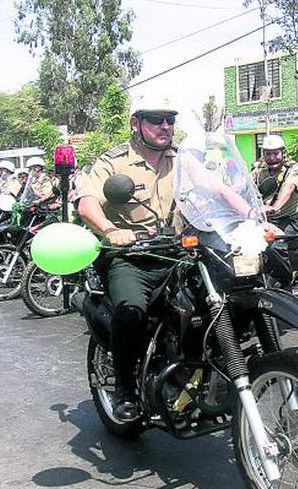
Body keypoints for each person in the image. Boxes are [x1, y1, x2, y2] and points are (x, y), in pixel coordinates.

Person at [76, 98, 180, 422]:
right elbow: (87, 203)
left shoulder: (182, 159)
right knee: (132, 311)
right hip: (128, 257)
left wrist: (252, 216)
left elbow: (217, 189)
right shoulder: (114, 162)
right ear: (136, 123)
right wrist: (110, 228)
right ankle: (124, 388)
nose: (165, 125)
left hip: (175, 252)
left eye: (170, 118)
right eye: (156, 118)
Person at [252, 134, 298, 238]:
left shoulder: (294, 168)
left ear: (283, 153)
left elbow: (289, 188)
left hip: (291, 220)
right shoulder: (260, 170)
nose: (272, 158)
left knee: (274, 245)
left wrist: (274, 207)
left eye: (276, 153)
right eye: (268, 154)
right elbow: (243, 184)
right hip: (267, 220)